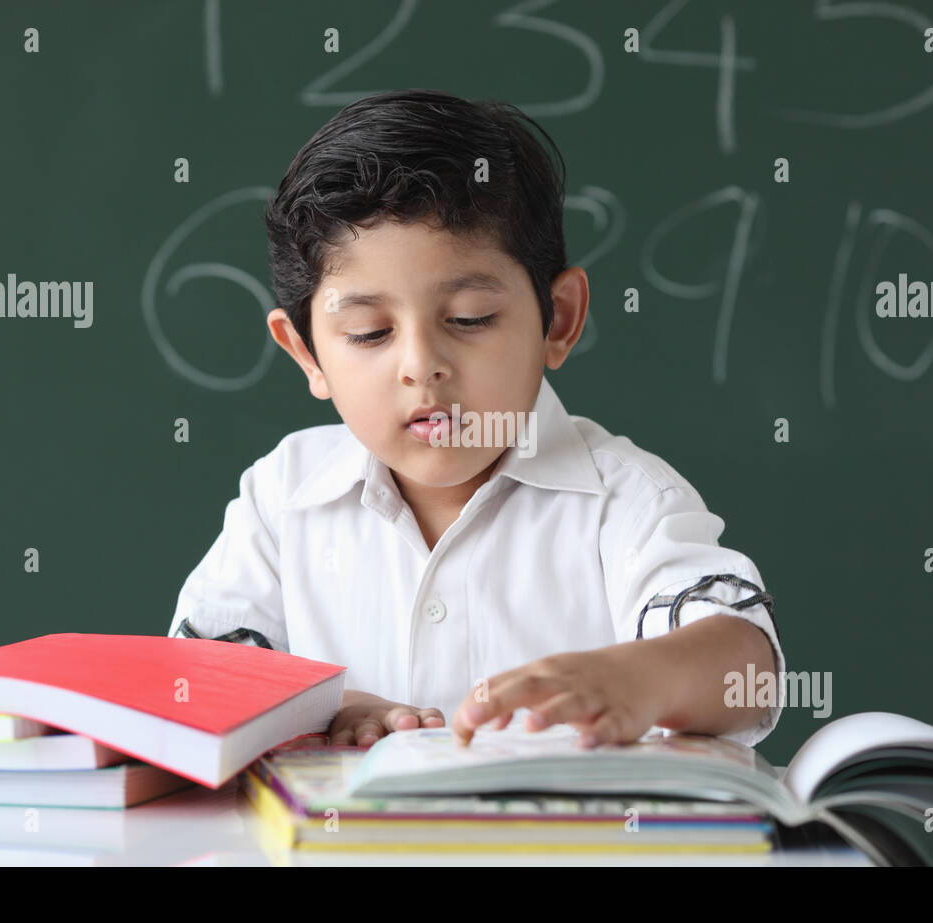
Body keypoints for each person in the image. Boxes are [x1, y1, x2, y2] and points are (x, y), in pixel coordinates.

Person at [168, 89, 784, 751]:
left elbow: (748, 676)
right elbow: (187, 684)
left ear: (559, 320)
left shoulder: (625, 501)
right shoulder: (282, 498)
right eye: (370, 332)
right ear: (307, 354)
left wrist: (638, 679)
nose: (421, 366)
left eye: (469, 319)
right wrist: (322, 706)